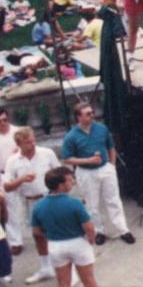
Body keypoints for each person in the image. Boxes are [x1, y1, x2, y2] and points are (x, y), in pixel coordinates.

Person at [33, 167, 111, 287]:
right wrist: (90, 240)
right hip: (78, 244)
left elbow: (37, 231)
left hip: (55, 245)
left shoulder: (39, 206)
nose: (72, 182)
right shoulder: (74, 203)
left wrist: (51, 235)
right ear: (60, 185)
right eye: (69, 180)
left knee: (63, 283)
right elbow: (88, 227)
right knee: (88, 279)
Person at [59, 103, 133, 245]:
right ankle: (99, 231)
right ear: (78, 117)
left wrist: (112, 165)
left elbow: (111, 147)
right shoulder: (71, 136)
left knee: (113, 200)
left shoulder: (102, 128)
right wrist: (88, 160)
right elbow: (66, 158)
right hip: (86, 173)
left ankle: (122, 229)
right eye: (87, 114)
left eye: (92, 112)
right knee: (92, 204)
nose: (92, 115)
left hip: (105, 169)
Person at [1, 128, 57, 283]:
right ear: (19, 144)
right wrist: (21, 180)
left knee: (56, 234)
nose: (32, 144)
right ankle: (46, 268)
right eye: (27, 142)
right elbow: (6, 187)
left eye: (33, 140)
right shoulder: (12, 161)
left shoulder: (47, 153)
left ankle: (68, 270)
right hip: (28, 201)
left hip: (49, 198)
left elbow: (59, 173)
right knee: (38, 235)